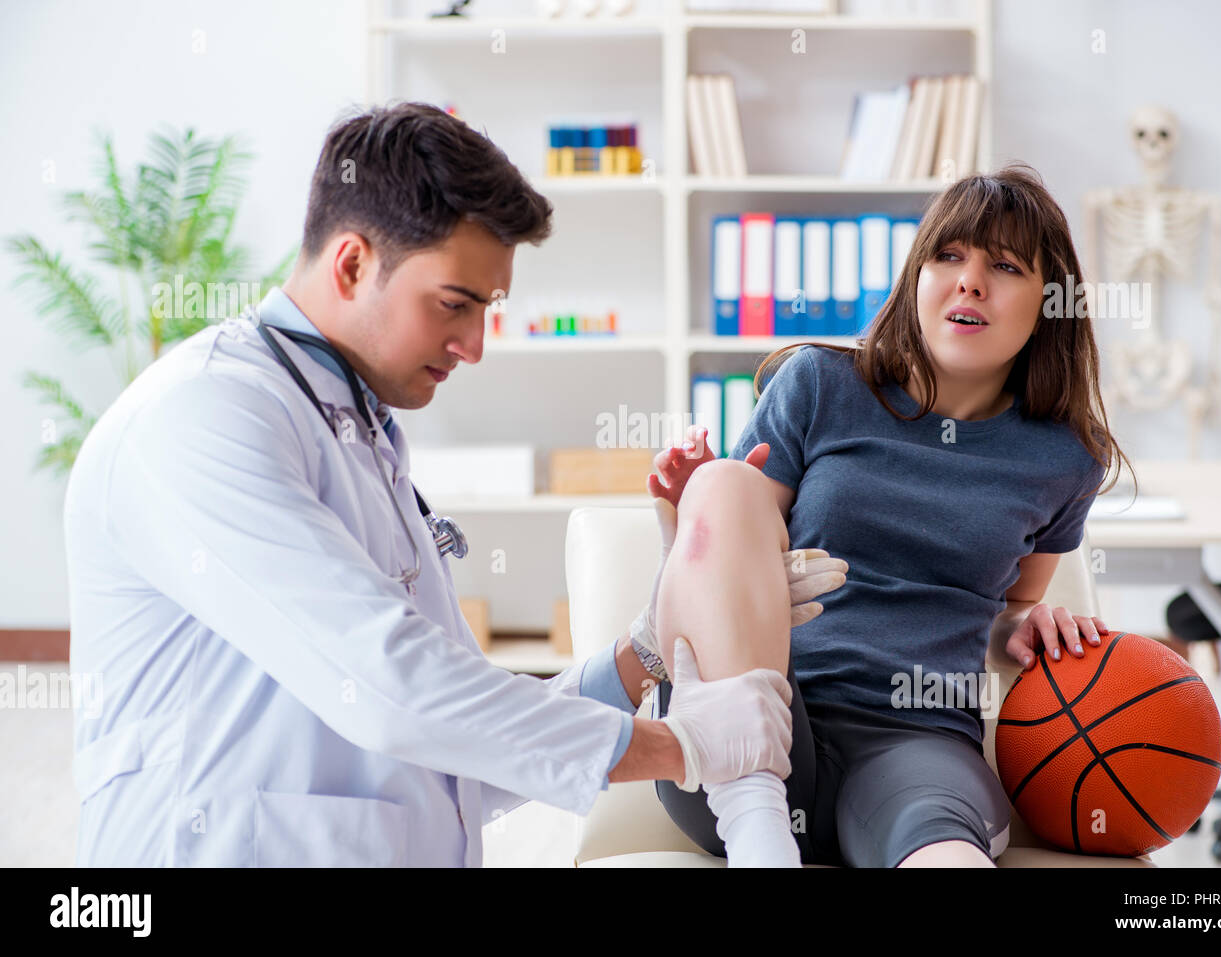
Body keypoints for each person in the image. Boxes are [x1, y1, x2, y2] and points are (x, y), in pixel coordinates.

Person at [63, 102, 845, 867]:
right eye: (455, 305)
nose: (474, 344)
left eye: (488, 309)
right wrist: (684, 747)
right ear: (352, 262)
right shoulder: (202, 414)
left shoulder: (358, 432)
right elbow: (391, 685)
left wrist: (646, 648)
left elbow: (466, 739)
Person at [640, 165, 1138, 867]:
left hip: (919, 742)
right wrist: (690, 514)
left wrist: (1030, 627)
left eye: (1004, 265)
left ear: (1049, 302)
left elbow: (1008, 612)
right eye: (949, 255)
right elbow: (729, 543)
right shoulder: (817, 383)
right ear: (916, 277)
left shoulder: (1064, 456)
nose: (970, 281)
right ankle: (758, 829)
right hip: (763, 715)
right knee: (724, 479)